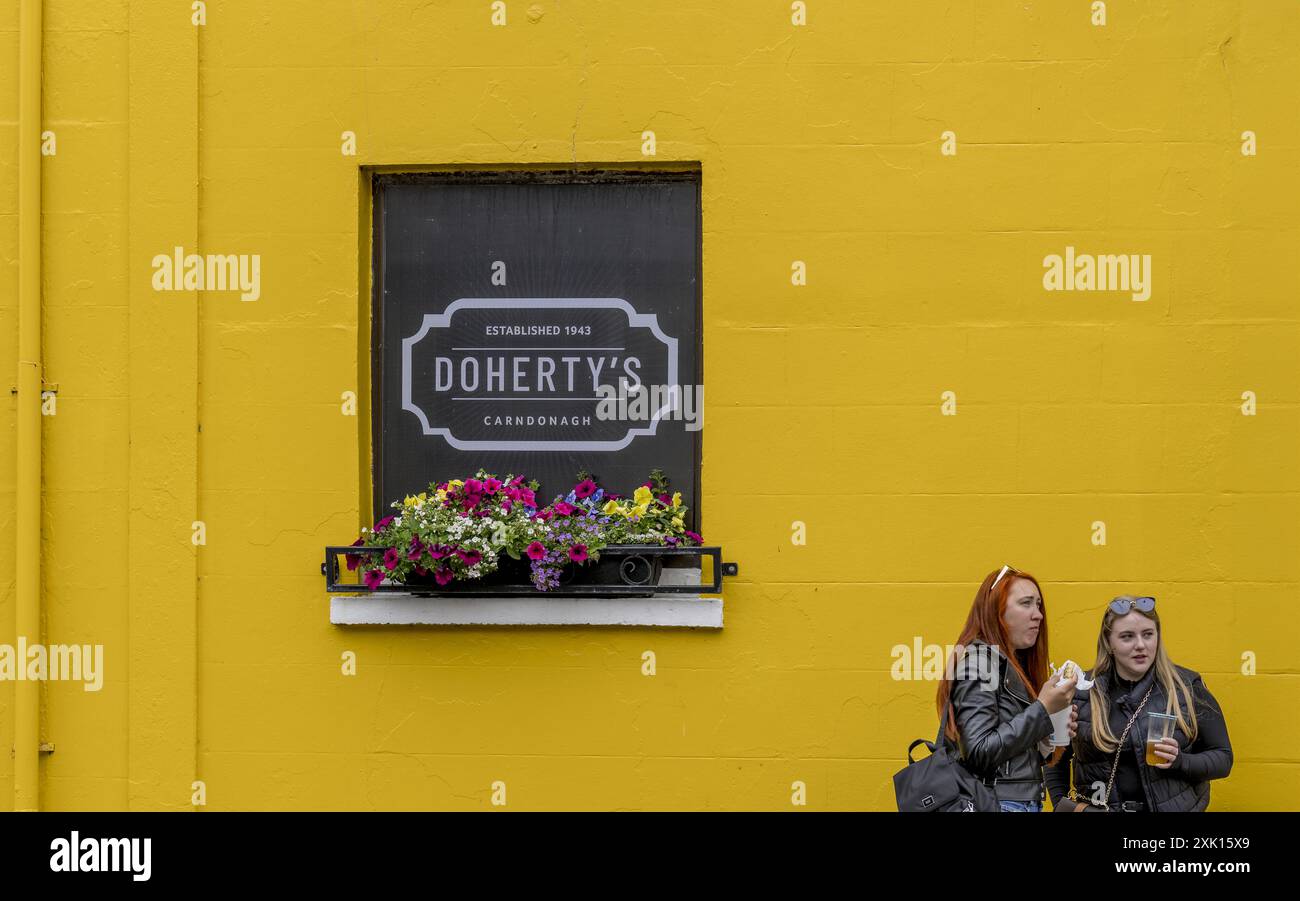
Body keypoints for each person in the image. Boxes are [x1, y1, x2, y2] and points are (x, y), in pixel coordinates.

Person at [1045, 596, 1233, 812]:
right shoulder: (1081, 691)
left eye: (1148, 634)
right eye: (1127, 637)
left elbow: (1222, 757)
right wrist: (1061, 804)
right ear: (1109, 642)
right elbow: (1055, 757)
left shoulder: (1187, 688)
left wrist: (1180, 761)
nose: (1141, 645)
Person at [936, 565, 1078, 812]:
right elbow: (979, 752)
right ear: (996, 610)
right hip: (999, 803)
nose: (1038, 615)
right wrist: (1042, 709)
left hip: (1016, 802)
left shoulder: (1007, 665)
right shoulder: (981, 662)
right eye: (1026, 603)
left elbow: (1010, 755)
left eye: (1038, 605)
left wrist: (1049, 732)